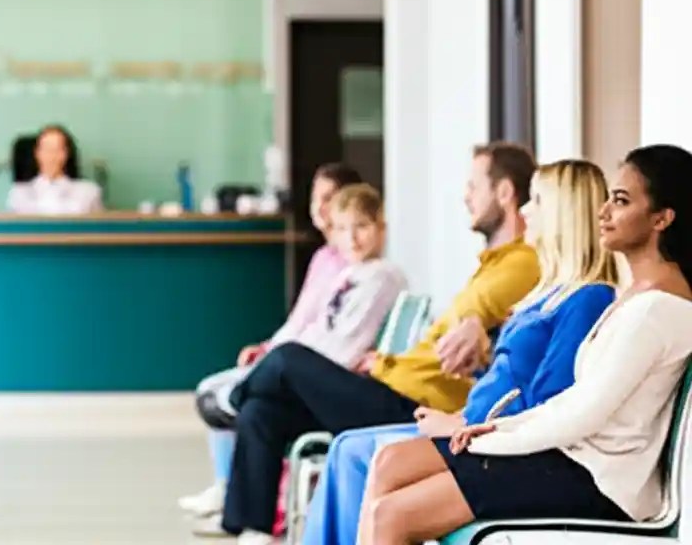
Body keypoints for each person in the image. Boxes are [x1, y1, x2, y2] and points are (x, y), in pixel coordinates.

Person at [358, 145, 692, 545]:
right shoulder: (633, 296)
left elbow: (581, 416)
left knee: (393, 515)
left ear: (662, 217)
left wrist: (492, 438)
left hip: (597, 482)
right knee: (391, 476)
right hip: (571, 462)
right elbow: (571, 403)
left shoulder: (657, 308)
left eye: (620, 201)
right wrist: (493, 427)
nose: (603, 212)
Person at [219, 142, 541, 544]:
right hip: (391, 383)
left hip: (414, 403)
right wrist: (386, 362)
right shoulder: (491, 267)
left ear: (505, 193)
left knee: (285, 362)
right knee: (263, 410)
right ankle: (254, 531)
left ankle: (231, 397)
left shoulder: (523, 266)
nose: (465, 196)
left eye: (473, 185)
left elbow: (501, 351)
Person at [303, 159, 618, 545]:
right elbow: (514, 377)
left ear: (561, 216)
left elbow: (548, 400)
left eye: (535, 200)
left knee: (384, 495)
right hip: (478, 425)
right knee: (384, 460)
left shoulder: (588, 298)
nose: (524, 211)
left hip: (510, 446)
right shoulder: (548, 295)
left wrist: (462, 424)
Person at [180, 163, 365, 519]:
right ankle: (228, 487)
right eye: (316, 198)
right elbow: (299, 321)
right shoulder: (323, 258)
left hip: (316, 370)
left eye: (330, 199)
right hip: (294, 357)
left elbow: (327, 338)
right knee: (217, 393)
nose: (321, 208)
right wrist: (267, 347)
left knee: (231, 399)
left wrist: (274, 356)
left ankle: (235, 490)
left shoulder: (354, 268)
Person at [6, 124, 103, 215]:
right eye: (47, 149)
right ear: (37, 153)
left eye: (57, 149)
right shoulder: (18, 193)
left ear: (66, 154)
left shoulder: (89, 192)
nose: (52, 156)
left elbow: (101, 229)